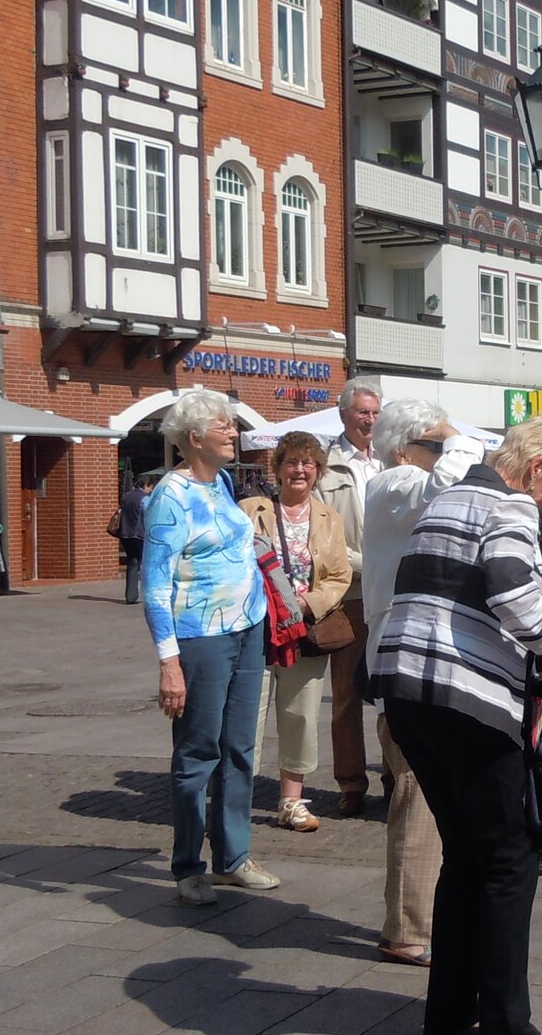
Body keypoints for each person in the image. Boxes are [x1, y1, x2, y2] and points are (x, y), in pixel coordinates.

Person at [371, 418, 542, 1035]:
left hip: (407, 693)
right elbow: (514, 588)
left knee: (466, 855)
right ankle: (509, 1033)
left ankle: (449, 1016)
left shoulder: (448, 499)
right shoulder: (511, 501)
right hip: (462, 699)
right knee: (508, 858)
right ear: (538, 468)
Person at [361, 398, 486, 967]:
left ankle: (417, 920)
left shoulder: (410, 481)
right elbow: (448, 477)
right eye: (432, 443)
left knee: (427, 789)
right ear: (402, 449)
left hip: (421, 652)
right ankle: (409, 928)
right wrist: (458, 435)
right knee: (415, 788)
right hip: (402, 658)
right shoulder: (393, 481)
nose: (444, 450)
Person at [144, 390, 279, 903]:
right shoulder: (169, 498)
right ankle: (187, 865)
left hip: (248, 629)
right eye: (223, 425)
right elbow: (155, 587)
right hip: (199, 637)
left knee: (239, 748)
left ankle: (233, 856)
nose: (233, 431)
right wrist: (168, 663)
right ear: (193, 436)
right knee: (198, 751)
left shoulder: (222, 482)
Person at [239, 433, 353, 832]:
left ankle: (291, 801)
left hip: (303, 630)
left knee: (301, 716)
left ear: (318, 471)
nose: (299, 470)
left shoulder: (329, 518)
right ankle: (235, 799)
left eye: (308, 464)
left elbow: (340, 575)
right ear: (279, 468)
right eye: (291, 462)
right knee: (246, 713)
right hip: (256, 627)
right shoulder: (252, 510)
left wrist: (309, 602)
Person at [320, 378, 383, 816]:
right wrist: (370, 565)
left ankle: (398, 776)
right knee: (345, 697)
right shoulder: (327, 467)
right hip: (349, 593)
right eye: (363, 412)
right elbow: (325, 537)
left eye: (376, 413)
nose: (371, 420)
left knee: (390, 694)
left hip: (391, 593)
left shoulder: (394, 461)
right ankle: (352, 784)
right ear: (344, 414)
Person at [116, 471, 156, 605]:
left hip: (125, 534)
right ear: (146, 485)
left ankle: (131, 595)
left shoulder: (126, 496)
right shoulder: (145, 499)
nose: (151, 490)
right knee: (147, 564)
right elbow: (149, 516)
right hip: (140, 535)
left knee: (132, 564)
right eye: (150, 487)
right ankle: (150, 594)